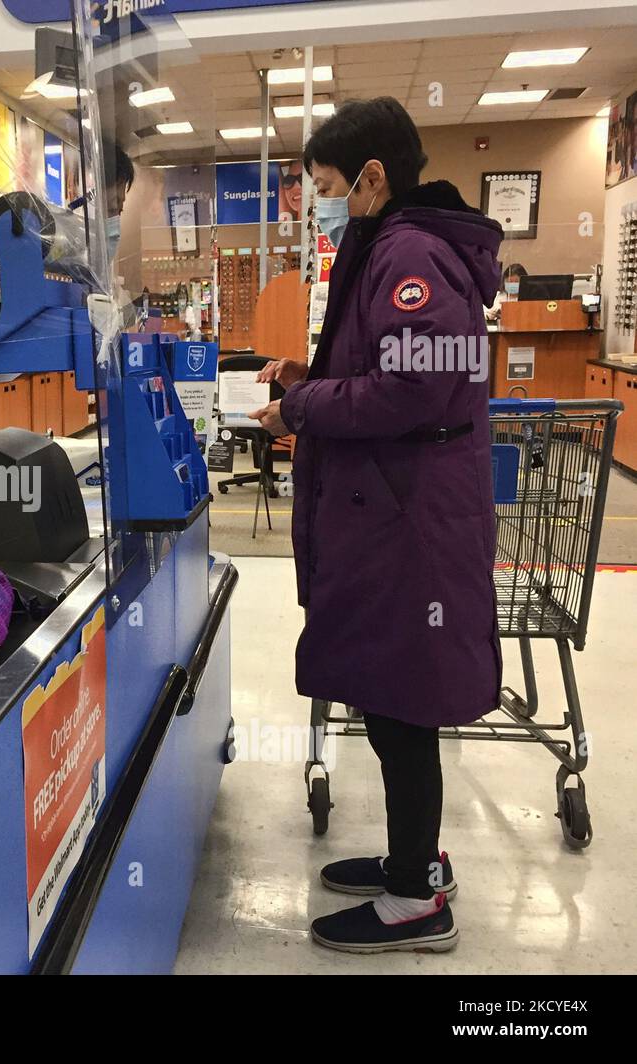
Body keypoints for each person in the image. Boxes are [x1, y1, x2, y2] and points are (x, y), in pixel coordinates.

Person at [248, 97, 503, 954]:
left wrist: (301, 407)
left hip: (414, 520)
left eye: (325, 186)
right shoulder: (399, 245)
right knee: (398, 699)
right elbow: (389, 365)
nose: (321, 201)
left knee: (403, 706)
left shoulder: (413, 253)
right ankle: (413, 862)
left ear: (372, 177)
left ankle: (415, 906)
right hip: (401, 511)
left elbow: (418, 387)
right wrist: (307, 374)